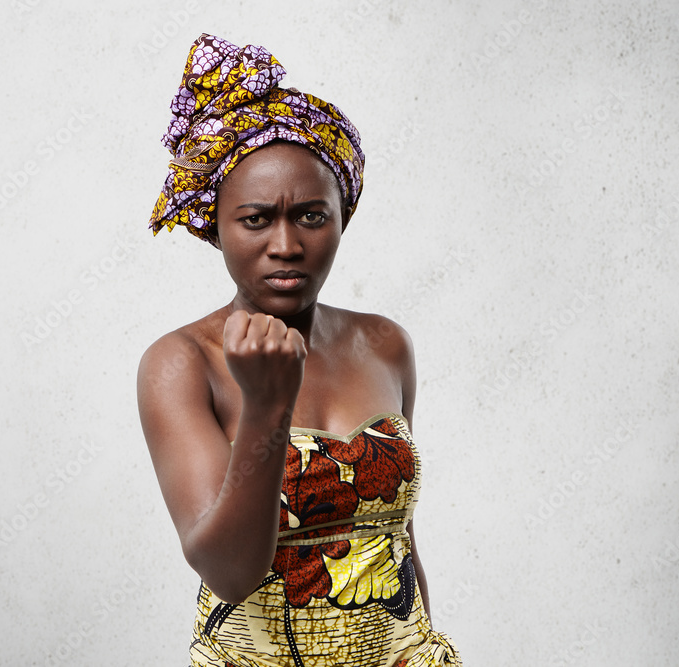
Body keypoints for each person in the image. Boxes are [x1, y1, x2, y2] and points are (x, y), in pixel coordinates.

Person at [138, 33, 462, 667]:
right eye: (256, 219)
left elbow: (400, 543)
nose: (285, 244)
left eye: (312, 216)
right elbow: (228, 571)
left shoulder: (384, 344)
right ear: (216, 225)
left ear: (343, 216)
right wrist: (266, 407)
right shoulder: (181, 364)